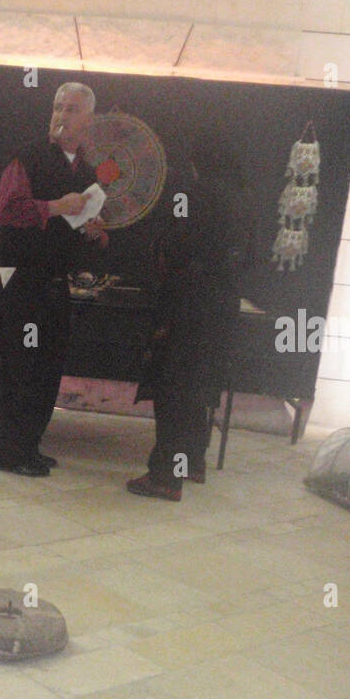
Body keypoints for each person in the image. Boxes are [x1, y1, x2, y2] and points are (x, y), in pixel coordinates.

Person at [0, 82, 108, 476]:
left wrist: (89, 226)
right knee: (18, 363)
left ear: (88, 119)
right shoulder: (29, 157)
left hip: (54, 281)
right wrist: (56, 207)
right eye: (57, 107)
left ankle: (29, 444)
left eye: (71, 109)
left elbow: (71, 224)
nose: (61, 115)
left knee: (45, 365)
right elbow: (7, 211)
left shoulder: (86, 172)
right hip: (21, 278)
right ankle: (5, 450)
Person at [127, 132, 251, 501]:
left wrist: (160, 252)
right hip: (224, 307)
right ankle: (193, 461)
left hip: (188, 307)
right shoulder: (244, 201)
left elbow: (177, 243)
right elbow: (250, 259)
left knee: (175, 389)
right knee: (201, 388)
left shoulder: (193, 195)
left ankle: (165, 476)